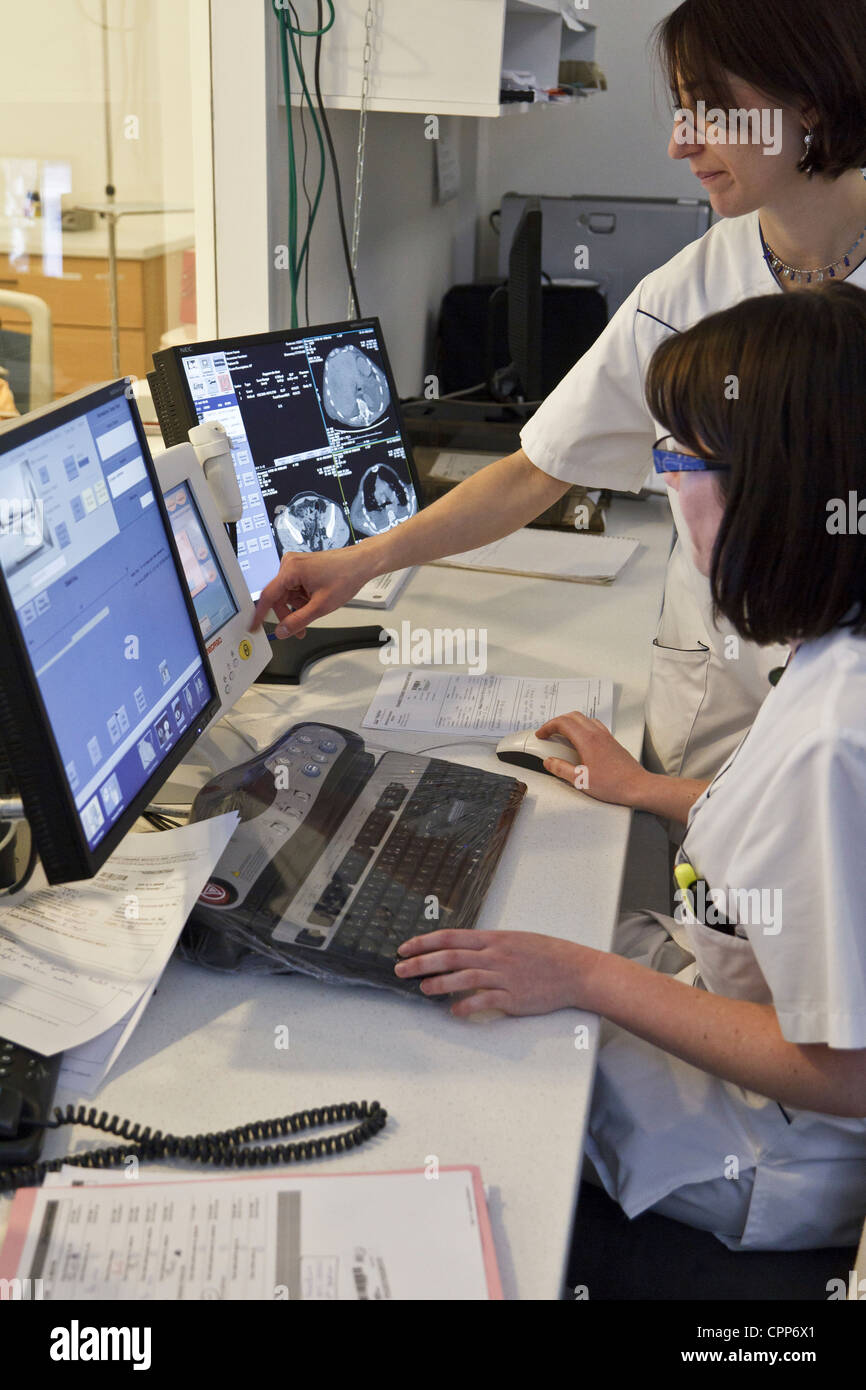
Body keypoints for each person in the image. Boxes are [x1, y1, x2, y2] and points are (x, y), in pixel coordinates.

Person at [252, 0, 866, 784]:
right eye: (680, 113)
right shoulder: (681, 297)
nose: (681, 143)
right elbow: (540, 468)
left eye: (708, 111)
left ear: (807, 101)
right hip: (719, 706)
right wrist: (364, 560)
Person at [392, 284, 866, 1252]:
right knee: (503, 938)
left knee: (425, 1044)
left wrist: (583, 976)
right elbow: (821, 854)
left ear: (770, 486)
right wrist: (651, 792)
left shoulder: (834, 735)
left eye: (674, 461)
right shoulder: (835, 650)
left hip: (770, 1141)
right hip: (740, 1001)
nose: (663, 489)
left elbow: (847, 1070)